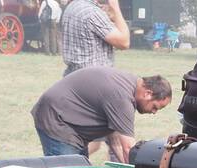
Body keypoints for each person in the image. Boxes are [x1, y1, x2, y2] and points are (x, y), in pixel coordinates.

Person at [32, 67, 171, 159]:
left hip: (69, 123)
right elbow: (129, 147)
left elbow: (115, 139)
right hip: (57, 119)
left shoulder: (130, 86)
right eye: (155, 107)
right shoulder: (122, 98)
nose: (154, 113)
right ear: (148, 94)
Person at [60, 0, 129, 76]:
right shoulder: (92, 12)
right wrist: (115, 8)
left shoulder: (72, 6)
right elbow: (124, 42)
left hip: (74, 75)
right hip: (94, 77)